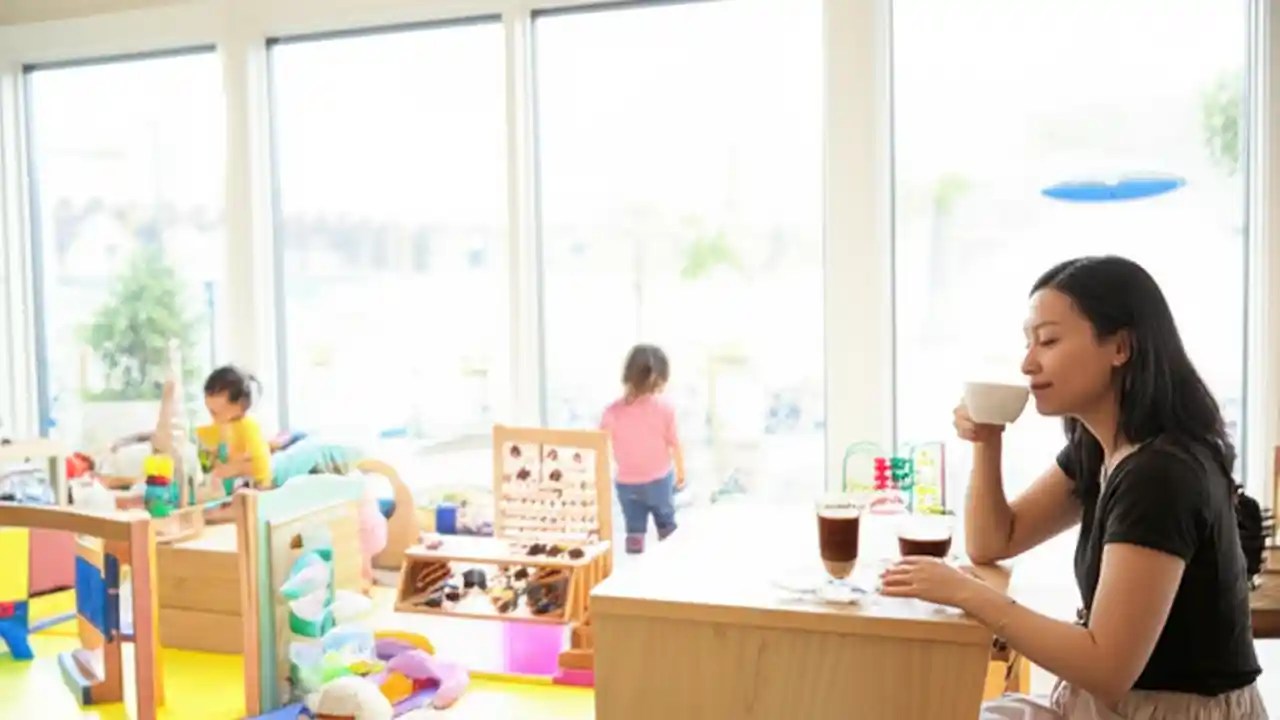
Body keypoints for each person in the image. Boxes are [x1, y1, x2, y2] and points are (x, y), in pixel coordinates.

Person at [880, 256, 1266, 718]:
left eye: (1048, 340)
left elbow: (1107, 668)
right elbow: (993, 541)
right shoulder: (1102, 447)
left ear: (1120, 347)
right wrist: (988, 439)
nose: (1027, 363)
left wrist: (968, 594)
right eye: (1028, 342)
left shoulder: (1160, 475)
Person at [600, 344, 687, 554]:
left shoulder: (611, 412)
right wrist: (681, 473)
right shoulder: (665, 409)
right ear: (660, 378)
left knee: (634, 532)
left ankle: (634, 569)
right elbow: (675, 444)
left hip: (627, 485)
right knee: (667, 526)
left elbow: (600, 447)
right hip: (659, 481)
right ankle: (672, 562)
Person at [195, 365, 272, 495]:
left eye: (217, 393)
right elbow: (205, 461)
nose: (210, 398)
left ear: (240, 405)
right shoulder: (212, 429)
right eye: (209, 392)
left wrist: (234, 468)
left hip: (252, 488)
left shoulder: (248, 427)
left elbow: (262, 466)